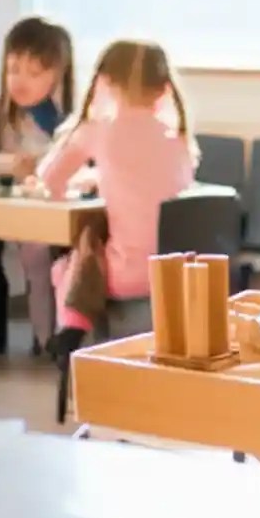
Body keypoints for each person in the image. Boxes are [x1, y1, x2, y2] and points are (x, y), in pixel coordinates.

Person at [36, 40, 197, 366]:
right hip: (181, 273)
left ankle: (72, 335)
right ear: (164, 88)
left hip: (129, 275)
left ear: (105, 81)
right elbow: (149, 185)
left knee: (73, 257)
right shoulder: (178, 138)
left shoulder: (98, 131)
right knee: (98, 241)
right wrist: (100, 179)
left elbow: (50, 178)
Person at [0, 16, 74, 361]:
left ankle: (47, 339)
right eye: (13, 69)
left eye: (34, 73)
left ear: (58, 75)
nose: (20, 81)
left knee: (38, 256)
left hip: (48, 213)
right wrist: (8, 164)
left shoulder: (68, 119)